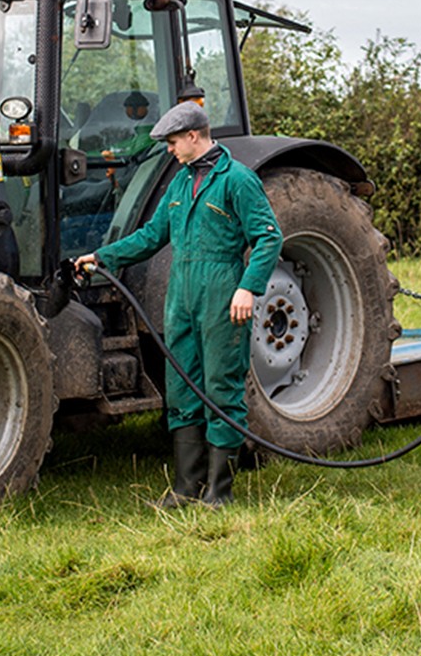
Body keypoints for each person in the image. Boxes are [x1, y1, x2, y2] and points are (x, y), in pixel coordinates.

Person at [75, 100, 282, 508]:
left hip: (222, 290)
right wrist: (103, 257)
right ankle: (187, 489)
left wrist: (248, 287)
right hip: (180, 295)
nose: (169, 150)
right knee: (182, 389)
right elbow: (152, 236)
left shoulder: (237, 180)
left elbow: (268, 236)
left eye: (172, 142)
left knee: (221, 387)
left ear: (193, 136)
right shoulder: (179, 184)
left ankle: (219, 492)